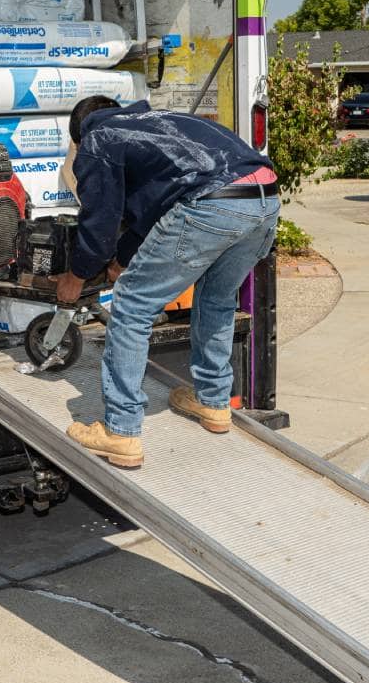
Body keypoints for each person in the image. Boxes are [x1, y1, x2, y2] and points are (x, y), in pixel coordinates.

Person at [55, 96, 278, 469]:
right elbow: (154, 211)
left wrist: (76, 275)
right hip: (265, 198)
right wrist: (123, 260)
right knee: (217, 298)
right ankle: (213, 402)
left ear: (78, 134)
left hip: (214, 202)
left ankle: (121, 431)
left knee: (131, 306)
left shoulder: (99, 138)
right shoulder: (157, 122)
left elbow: (100, 224)